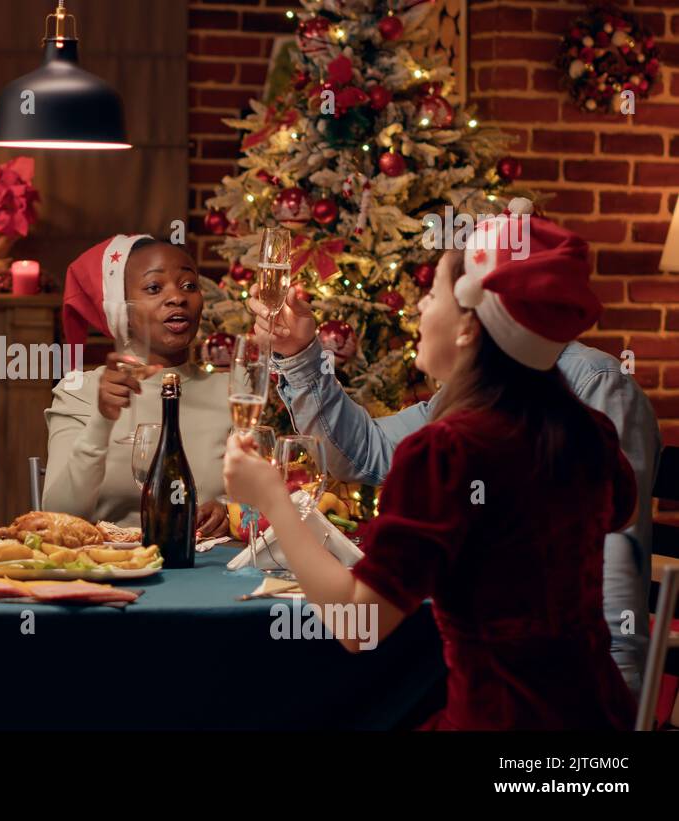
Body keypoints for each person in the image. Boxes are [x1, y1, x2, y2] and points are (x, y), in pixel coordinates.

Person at [224, 203, 637, 729]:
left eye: (434, 292)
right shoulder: (586, 431)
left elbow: (360, 623)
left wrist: (274, 501)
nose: (420, 304)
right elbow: (614, 514)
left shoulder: (447, 450)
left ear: (469, 326)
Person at [43, 235, 231, 534]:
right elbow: (58, 513)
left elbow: (267, 501)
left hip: (208, 569)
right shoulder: (78, 391)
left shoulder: (232, 392)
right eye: (154, 288)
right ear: (122, 310)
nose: (177, 298)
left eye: (189, 285)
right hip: (111, 571)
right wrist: (103, 420)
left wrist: (230, 512)